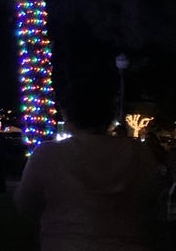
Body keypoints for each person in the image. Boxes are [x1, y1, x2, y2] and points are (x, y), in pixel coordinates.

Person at [15, 78, 160, 251]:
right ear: (110, 113)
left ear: (66, 112)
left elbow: (24, 204)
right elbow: (151, 199)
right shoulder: (139, 153)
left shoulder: (47, 155)